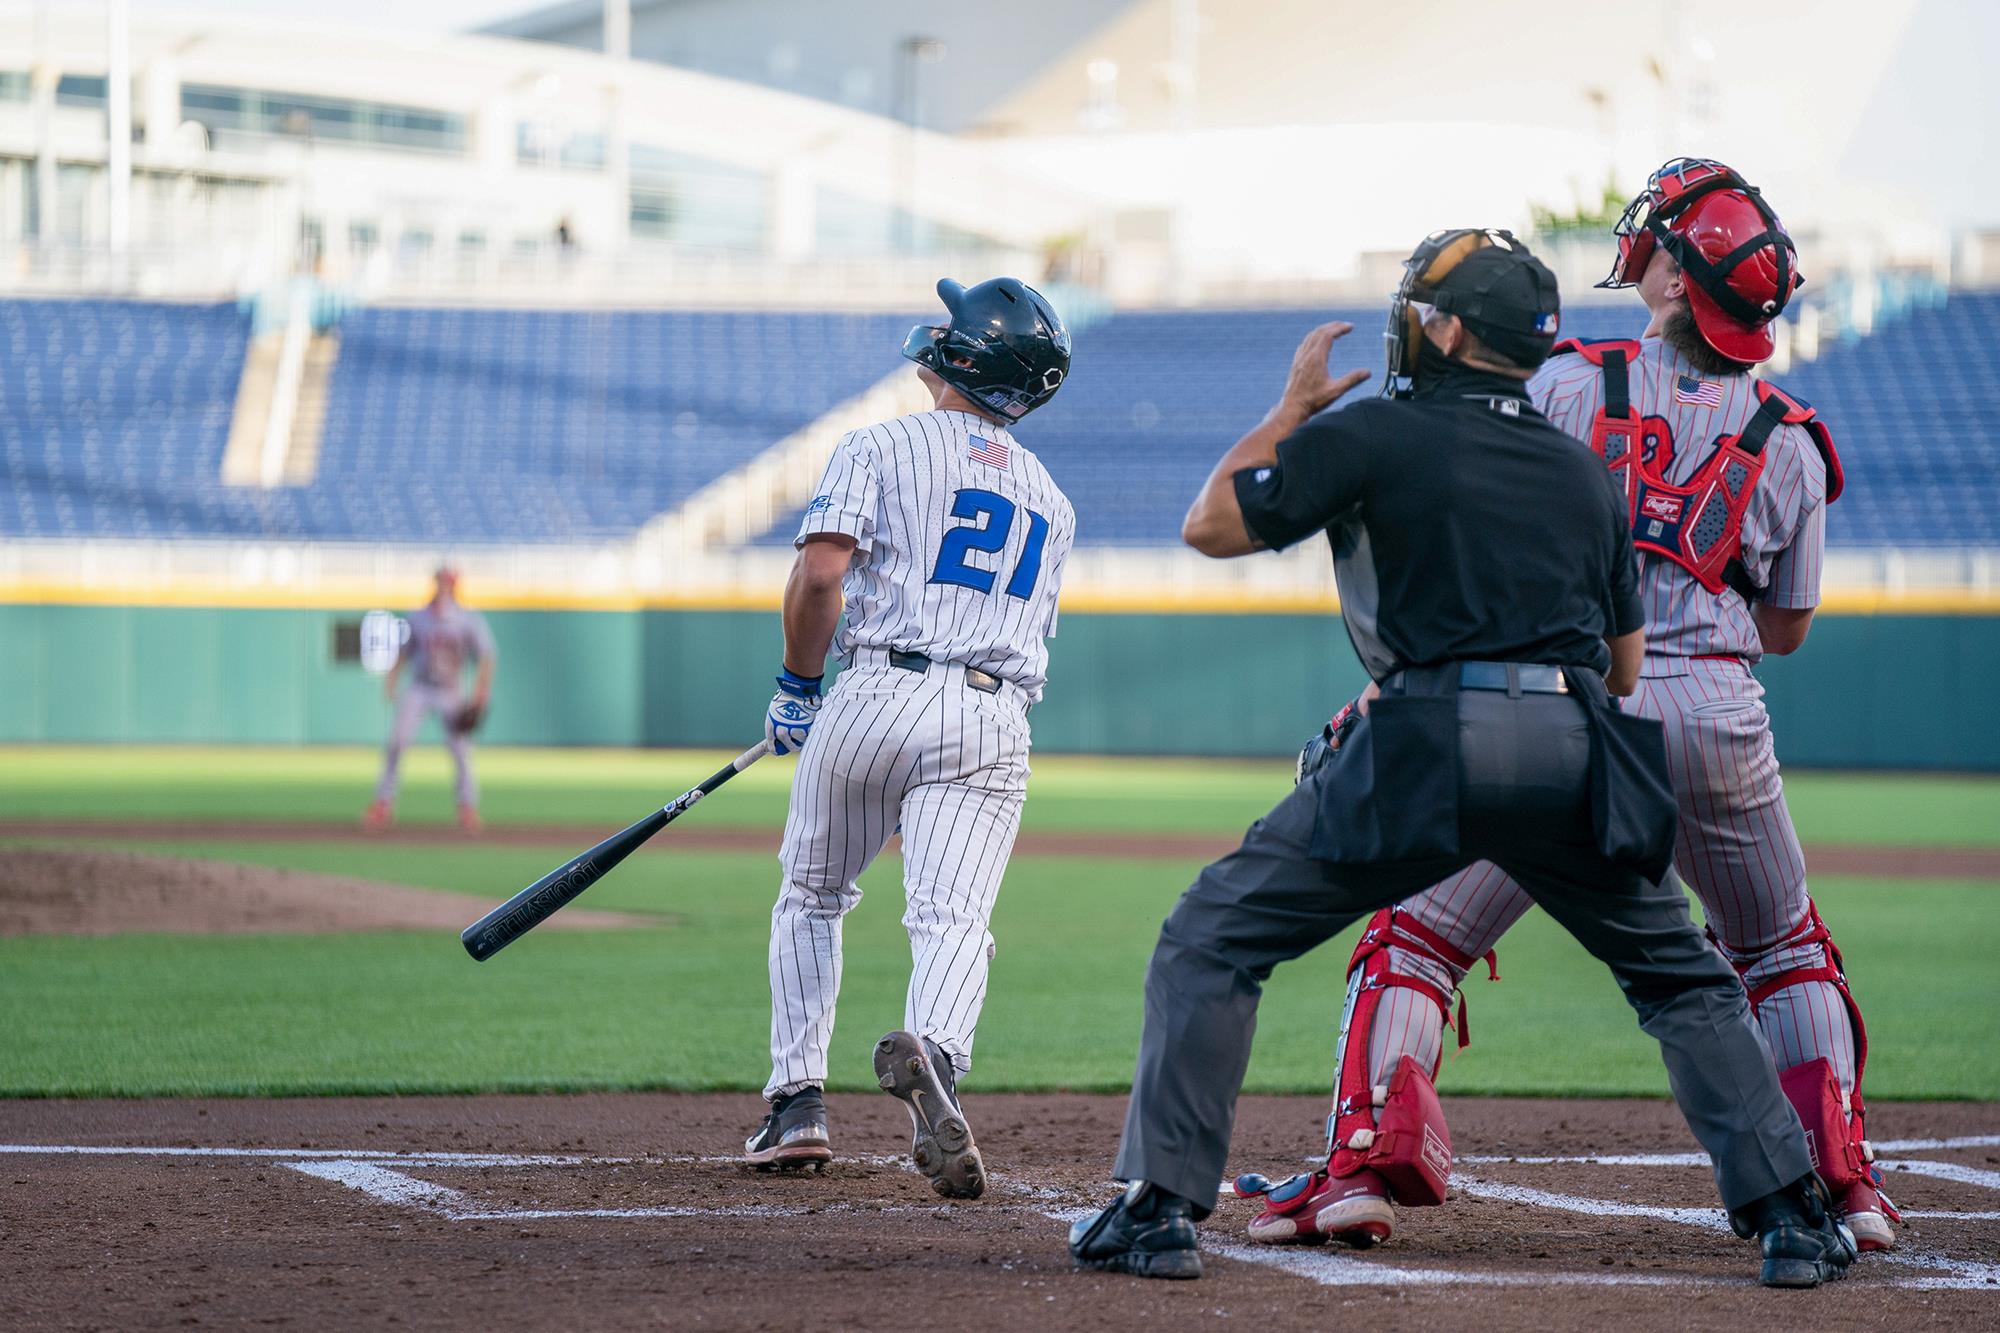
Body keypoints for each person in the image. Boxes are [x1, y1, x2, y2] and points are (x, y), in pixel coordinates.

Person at [1067, 229, 1855, 1289]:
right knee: (1682, 977)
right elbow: (1623, 668)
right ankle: (1791, 1218)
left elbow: (1210, 525)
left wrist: (1292, 412)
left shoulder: (1373, 432)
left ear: (1440, 329)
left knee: (1213, 936)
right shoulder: (1581, 472)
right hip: (1574, 743)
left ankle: (1158, 1211)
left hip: (1420, 741)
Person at [1238, 159, 1893, 1256]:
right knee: (1779, 950)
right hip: (1720, 711)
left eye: (1669, 245)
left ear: (1681, 284)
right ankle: (1842, 1186)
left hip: (1566, 699)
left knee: (1415, 934)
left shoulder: (1565, 380)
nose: (1652, 249)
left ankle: (1358, 1167)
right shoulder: (1789, 432)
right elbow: (1784, 627)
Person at [741, 278, 1075, 1201]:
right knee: (955, 920)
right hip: (993, 712)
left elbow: (819, 578)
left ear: (962, 355)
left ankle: (797, 1104)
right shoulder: (1053, 497)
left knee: (813, 893)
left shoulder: (877, 444)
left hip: (879, 686)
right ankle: (938, 1056)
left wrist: (798, 686)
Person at [363, 566, 496, 833]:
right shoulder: (418, 617)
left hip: (451, 690)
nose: (443, 587)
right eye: (440, 582)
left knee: (460, 750)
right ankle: (383, 804)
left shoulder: (466, 619)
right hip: (420, 687)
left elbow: (487, 654)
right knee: (398, 742)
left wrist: (481, 690)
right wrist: (392, 680)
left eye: (448, 583)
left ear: (455, 586)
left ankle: (467, 807)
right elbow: (404, 651)